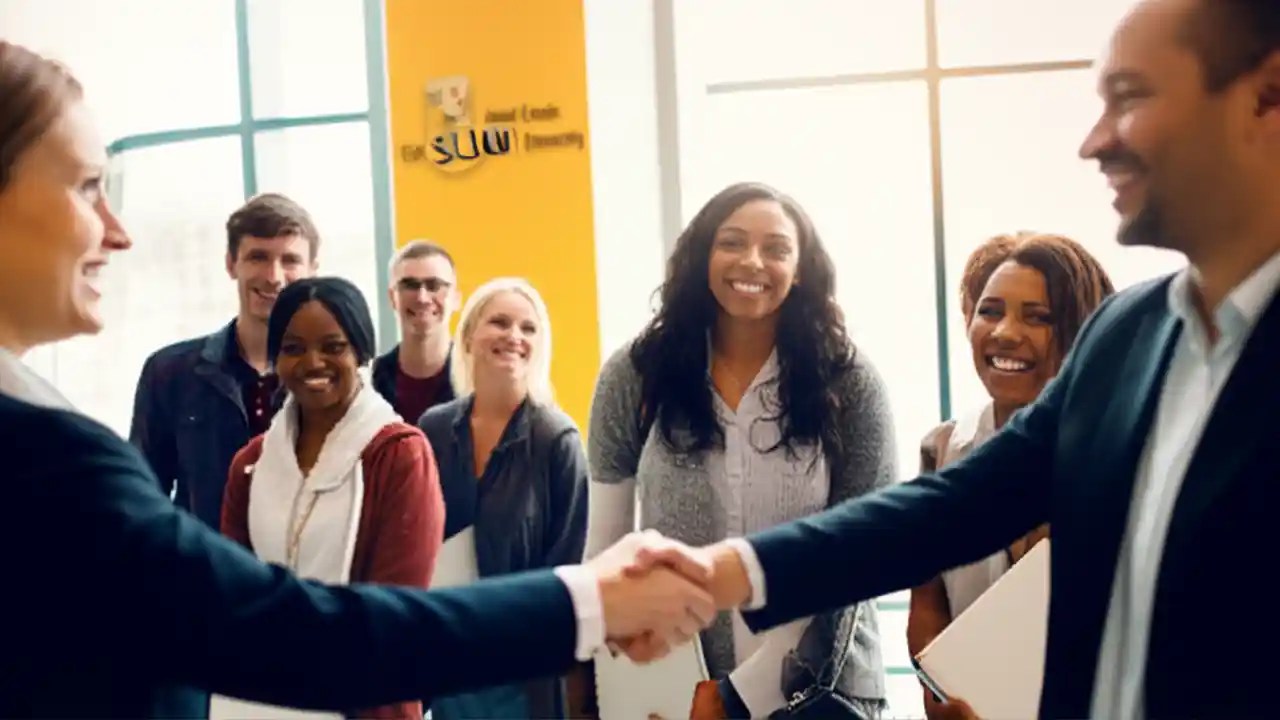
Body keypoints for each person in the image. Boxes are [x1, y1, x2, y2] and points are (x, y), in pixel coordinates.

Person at [0, 39, 715, 719]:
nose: (116, 230)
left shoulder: (415, 447)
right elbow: (300, 632)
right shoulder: (52, 460)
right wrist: (591, 602)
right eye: (87, 185)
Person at [631, 1, 1280, 717]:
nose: (1093, 142)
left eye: (1130, 99)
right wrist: (724, 572)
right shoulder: (1127, 333)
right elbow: (953, 509)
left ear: (1265, 96)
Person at [587, 182, 895, 719]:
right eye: (731, 242)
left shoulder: (851, 382)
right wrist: (621, 689)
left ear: (800, 269)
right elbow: (606, 553)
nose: (752, 261)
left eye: (776, 248)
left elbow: (862, 559)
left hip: (823, 698)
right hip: (673, 692)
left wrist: (739, 696)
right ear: (703, 254)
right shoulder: (636, 375)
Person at [906, 232, 1114, 720]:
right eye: (990, 311)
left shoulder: (1116, 451)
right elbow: (928, 604)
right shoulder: (941, 450)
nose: (1004, 332)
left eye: (1038, 317)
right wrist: (941, 698)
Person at [218, 277, 445, 720]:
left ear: (361, 353)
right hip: (262, 702)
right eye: (294, 347)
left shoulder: (399, 455)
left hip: (369, 701)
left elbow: (393, 611)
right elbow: (231, 595)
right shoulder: (250, 463)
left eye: (333, 346)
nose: (313, 362)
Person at [420, 277, 588, 720]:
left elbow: (570, 566)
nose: (514, 336)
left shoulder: (557, 440)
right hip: (446, 659)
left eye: (528, 328)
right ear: (470, 334)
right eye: (499, 322)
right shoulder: (433, 430)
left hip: (522, 671)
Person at [130, 191, 320, 528]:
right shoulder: (170, 372)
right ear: (231, 263)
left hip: (302, 574)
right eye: (258, 257)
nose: (274, 276)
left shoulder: (333, 379)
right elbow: (144, 498)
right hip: (202, 575)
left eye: (290, 260)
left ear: (312, 272)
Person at [372, 240, 459, 423]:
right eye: (409, 285)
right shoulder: (369, 384)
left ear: (456, 298)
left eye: (434, 285)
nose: (422, 298)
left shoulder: (476, 380)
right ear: (392, 298)